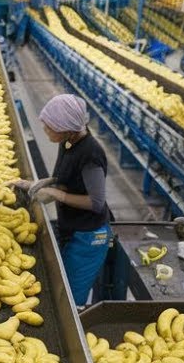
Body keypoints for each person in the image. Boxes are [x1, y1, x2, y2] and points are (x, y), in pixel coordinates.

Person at [10, 95, 111, 306]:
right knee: (63, 282)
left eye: (50, 127)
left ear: (66, 128)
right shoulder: (67, 141)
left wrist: (57, 194)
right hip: (73, 228)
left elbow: (97, 202)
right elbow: (68, 176)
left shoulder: (91, 154)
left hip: (89, 237)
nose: (45, 130)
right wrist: (36, 184)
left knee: (72, 298)